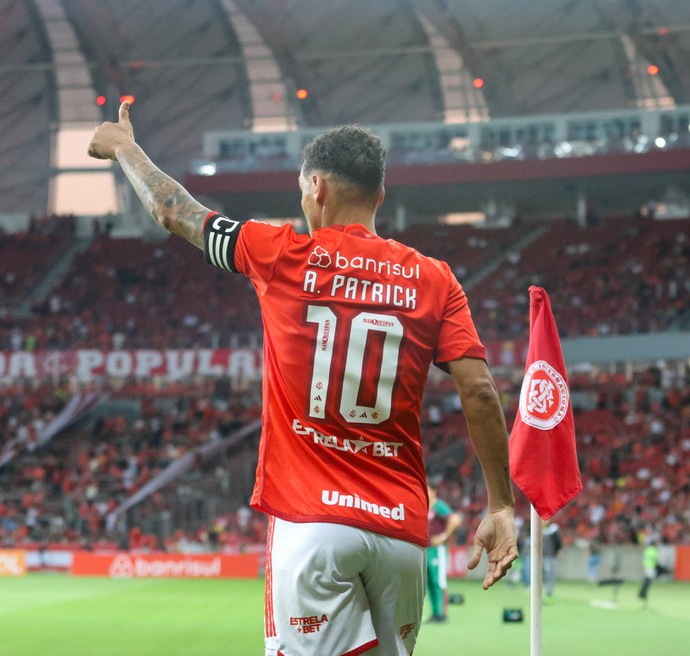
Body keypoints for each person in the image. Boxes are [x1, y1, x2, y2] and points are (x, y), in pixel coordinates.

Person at [88, 103, 518, 656]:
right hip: (400, 529)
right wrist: (500, 505)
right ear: (379, 197)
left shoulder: (280, 254)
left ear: (317, 187)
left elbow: (175, 211)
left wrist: (125, 148)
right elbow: (479, 389)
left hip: (311, 521)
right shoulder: (435, 279)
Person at [425, 481, 463, 623]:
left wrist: (443, 536)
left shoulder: (439, 506)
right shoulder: (425, 506)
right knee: (429, 582)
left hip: (437, 550)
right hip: (426, 548)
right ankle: (435, 613)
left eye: (427, 489)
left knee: (438, 581)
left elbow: (455, 520)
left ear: (433, 491)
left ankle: (442, 614)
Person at [638, 537, 659, 607]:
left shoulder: (647, 549)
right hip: (651, 566)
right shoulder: (654, 550)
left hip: (646, 566)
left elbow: (644, 558)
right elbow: (655, 559)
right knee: (648, 581)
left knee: (647, 580)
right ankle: (643, 593)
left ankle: (642, 593)